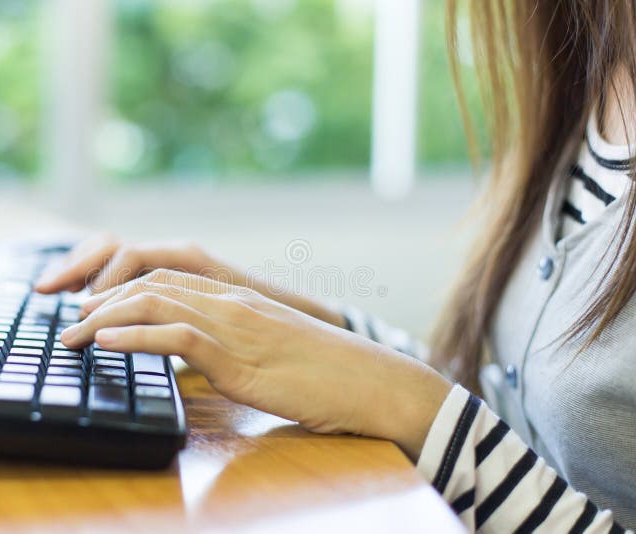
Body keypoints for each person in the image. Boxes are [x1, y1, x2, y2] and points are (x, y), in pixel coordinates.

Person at [36, 2, 635, 532]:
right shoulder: (593, 73)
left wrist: (410, 406)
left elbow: (465, 426)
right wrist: (276, 319)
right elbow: (519, 419)